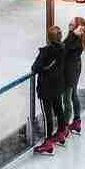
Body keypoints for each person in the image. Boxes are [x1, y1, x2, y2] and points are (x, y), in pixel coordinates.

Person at [31, 26, 66, 155]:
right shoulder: (62, 48)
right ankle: (61, 133)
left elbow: (35, 67)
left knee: (47, 115)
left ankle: (48, 142)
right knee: (59, 109)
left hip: (46, 88)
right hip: (58, 85)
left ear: (49, 38)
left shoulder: (46, 52)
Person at [62, 17, 85, 136]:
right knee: (73, 94)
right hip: (75, 68)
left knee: (67, 98)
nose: (69, 23)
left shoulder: (75, 39)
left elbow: (64, 47)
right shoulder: (75, 37)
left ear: (77, 27)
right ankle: (77, 120)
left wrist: (72, 34)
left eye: (72, 23)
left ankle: (64, 127)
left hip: (70, 71)